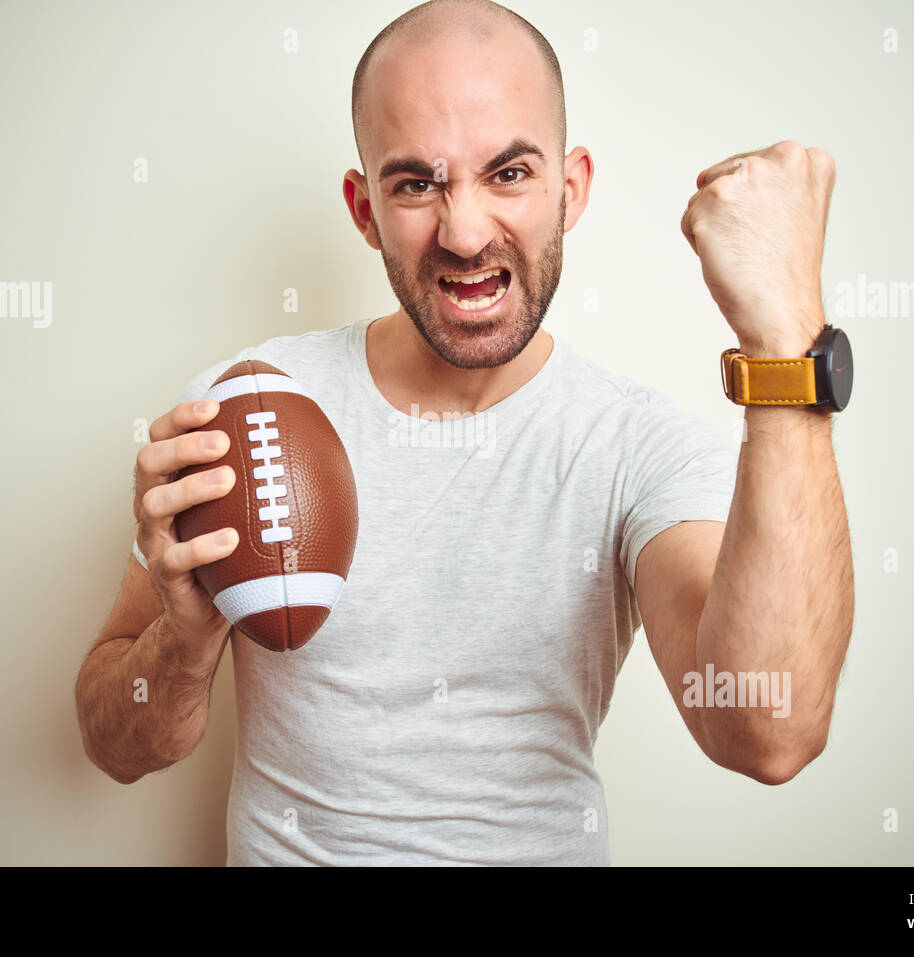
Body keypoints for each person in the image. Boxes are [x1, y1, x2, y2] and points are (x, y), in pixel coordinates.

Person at [74, 0, 854, 866]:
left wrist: (786, 344)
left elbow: (768, 732)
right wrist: (183, 637)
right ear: (364, 209)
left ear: (573, 187)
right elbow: (113, 745)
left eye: (509, 173)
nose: (466, 230)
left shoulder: (634, 446)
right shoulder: (251, 411)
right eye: (416, 182)